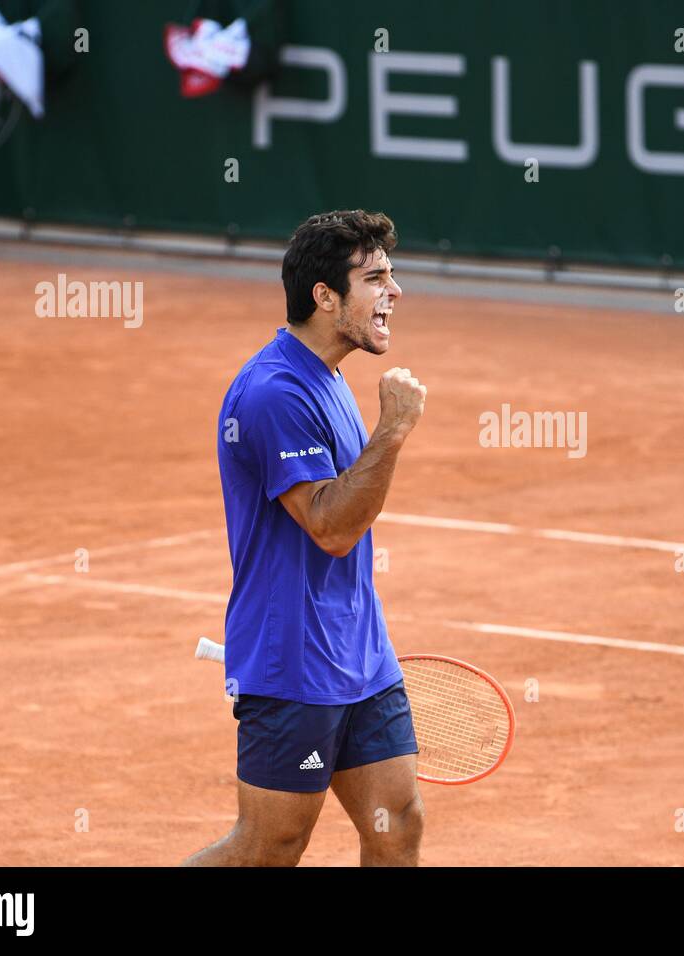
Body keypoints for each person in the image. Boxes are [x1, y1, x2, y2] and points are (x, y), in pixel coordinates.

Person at [184, 210, 427, 866]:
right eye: (375, 278)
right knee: (269, 847)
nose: (395, 291)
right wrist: (393, 432)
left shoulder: (329, 376)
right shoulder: (272, 393)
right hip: (293, 661)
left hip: (362, 652)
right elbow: (332, 528)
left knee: (396, 826)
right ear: (325, 296)